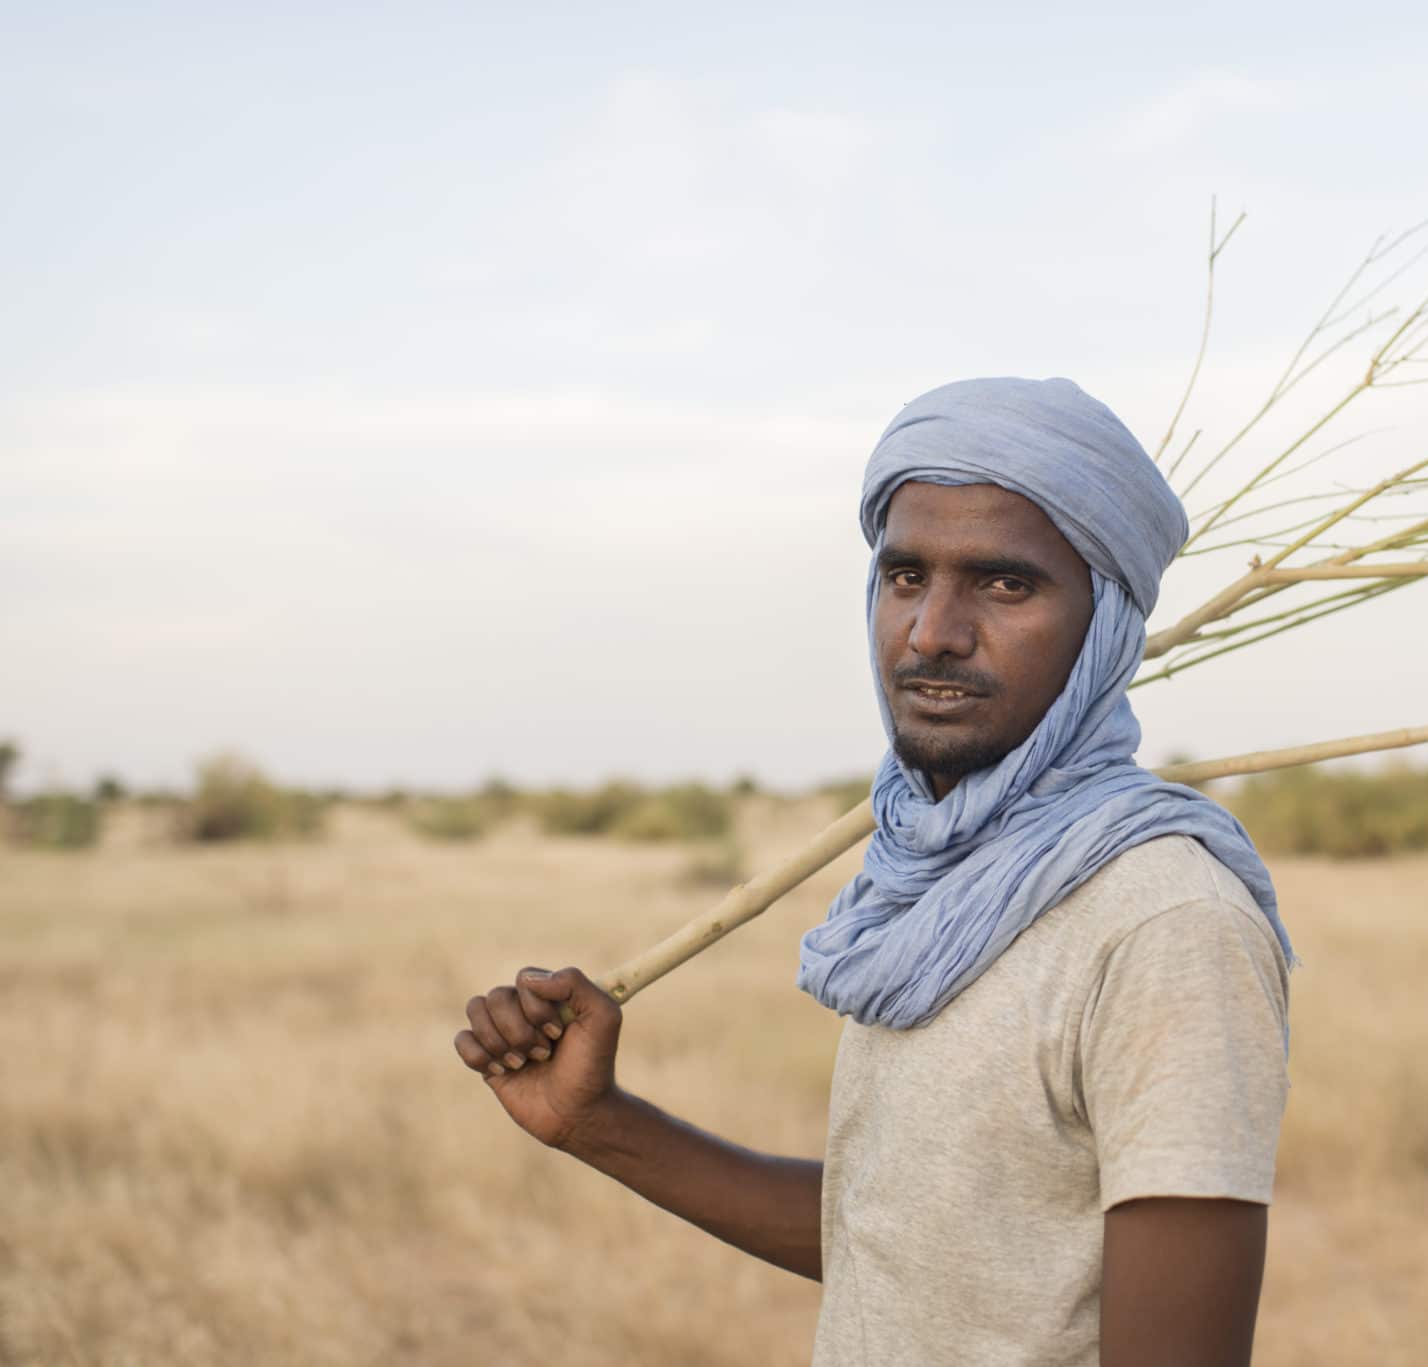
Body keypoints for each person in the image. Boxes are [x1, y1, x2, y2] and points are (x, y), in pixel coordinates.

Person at [454, 377, 1295, 1367]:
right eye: (904, 576)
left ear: (1103, 624)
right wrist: (597, 1122)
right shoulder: (936, 886)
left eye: (1003, 582)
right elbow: (917, 1247)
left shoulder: (1162, 921)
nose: (931, 630)